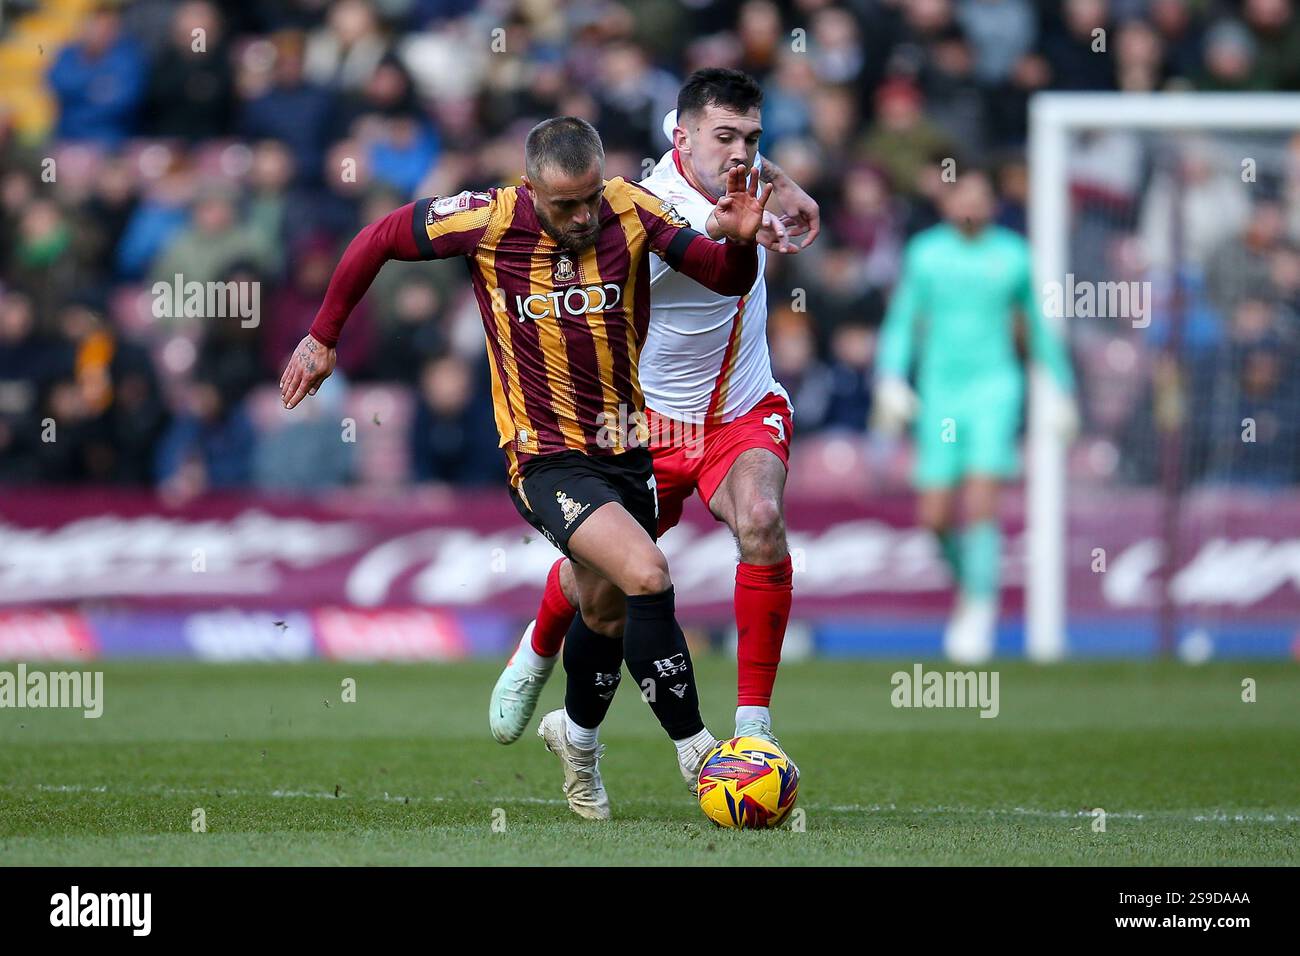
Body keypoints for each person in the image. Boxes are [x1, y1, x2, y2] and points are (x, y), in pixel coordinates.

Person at [279, 116, 770, 820]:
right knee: (646, 574)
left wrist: (744, 241)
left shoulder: (632, 208)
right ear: (530, 187)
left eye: (589, 199)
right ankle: (698, 750)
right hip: (542, 457)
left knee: (602, 606)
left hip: (625, 446)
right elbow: (381, 236)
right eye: (563, 203)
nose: (580, 217)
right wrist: (324, 336)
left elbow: (723, 278)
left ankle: (575, 739)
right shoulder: (487, 218)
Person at [489, 68, 820, 752]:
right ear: (680, 138)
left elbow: (738, 161)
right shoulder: (635, 209)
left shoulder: (744, 177)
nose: (741, 154)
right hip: (652, 424)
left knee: (762, 520)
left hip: (741, 406)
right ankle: (538, 646)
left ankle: (754, 730)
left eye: (752, 140)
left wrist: (781, 181)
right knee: (601, 584)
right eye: (724, 137)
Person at [872, 170, 1077, 663]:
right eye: (963, 193)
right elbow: (903, 321)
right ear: (947, 201)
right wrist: (890, 378)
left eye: (981, 196)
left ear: (992, 204)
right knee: (935, 515)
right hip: (940, 393)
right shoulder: (925, 253)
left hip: (995, 389)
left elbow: (1039, 329)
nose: (972, 203)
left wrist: (1063, 389)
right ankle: (971, 586)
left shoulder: (1013, 256)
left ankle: (981, 606)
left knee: (983, 500)